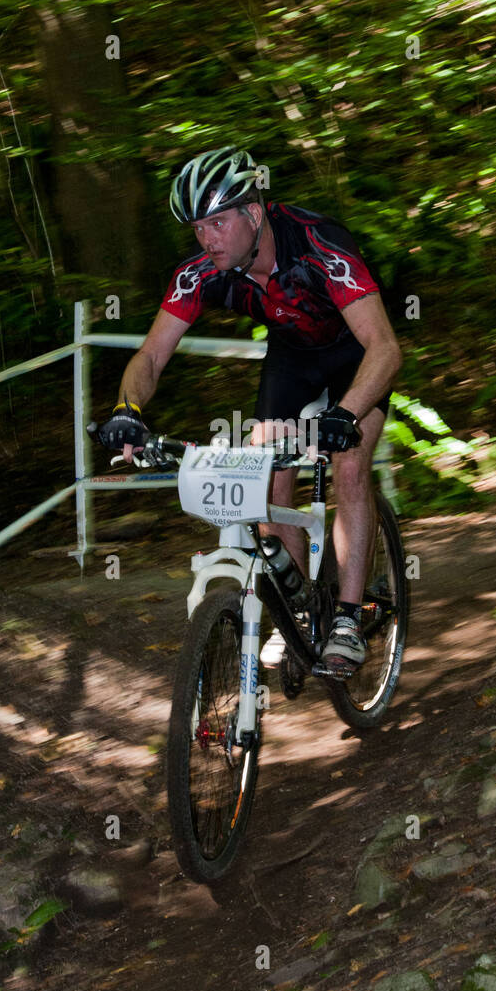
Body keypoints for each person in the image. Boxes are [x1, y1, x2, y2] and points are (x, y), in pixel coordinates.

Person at [96, 146, 402, 677]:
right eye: (198, 228)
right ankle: (302, 611)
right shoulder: (203, 271)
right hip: (292, 358)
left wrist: (346, 415)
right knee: (265, 473)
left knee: (349, 467)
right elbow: (150, 354)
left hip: (355, 356)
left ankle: (349, 621)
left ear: (254, 213)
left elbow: (386, 350)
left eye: (217, 223)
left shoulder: (318, 245)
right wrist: (128, 409)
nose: (207, 239)